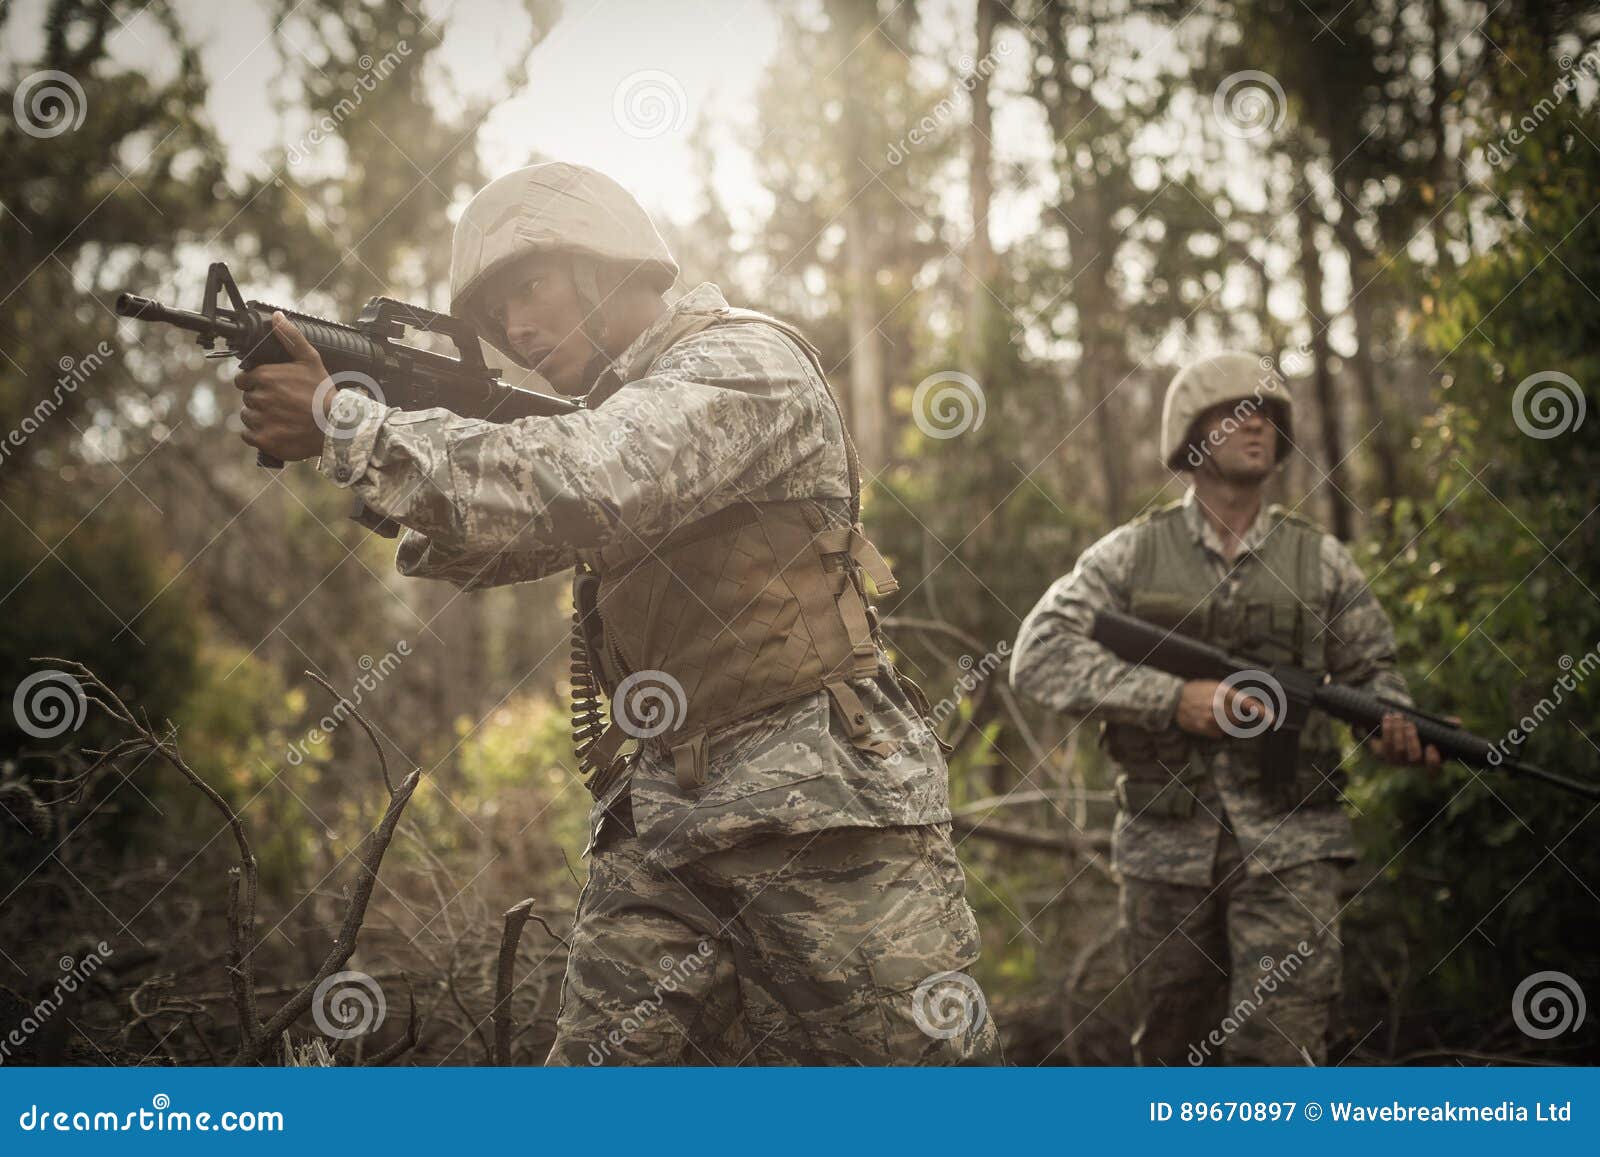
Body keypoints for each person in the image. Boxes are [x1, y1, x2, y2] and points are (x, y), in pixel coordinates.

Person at [234, 161, 996, 1065]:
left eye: (529, 288)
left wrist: (350, 426)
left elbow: (589, 480)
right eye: (496, 314)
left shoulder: (742, 361)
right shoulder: (618, 409)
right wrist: (379, 432)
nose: (515, 328)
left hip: (822, 812)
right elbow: (502, 547)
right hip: (666, 825)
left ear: (605, 264)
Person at [1010, 351, 1439, 1065]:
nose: (1257, 425)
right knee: (1172, 1054)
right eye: (1237, 412)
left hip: (1292, 848)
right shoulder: (1129, 556)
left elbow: (1373, 675)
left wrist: (1393, 728)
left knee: (1280, 1056)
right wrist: (1171, 699)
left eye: (1269, 414)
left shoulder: (1321, 562)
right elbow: (1037, 653)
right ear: (1191, 434)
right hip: (1166, 852)